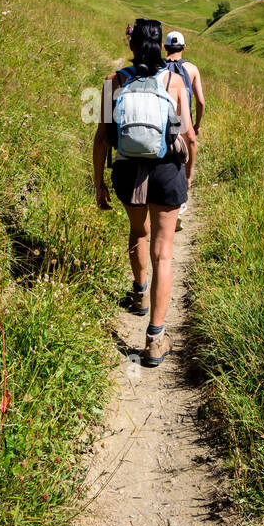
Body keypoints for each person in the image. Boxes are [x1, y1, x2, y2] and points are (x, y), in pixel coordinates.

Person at [93, 18, 197, 367]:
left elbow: (101, 137)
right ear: (160, 46)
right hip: (167, 171)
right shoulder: (174, 81)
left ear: (132, 45)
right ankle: (154, 340)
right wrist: (187, 174)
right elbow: (187, 137)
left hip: (127, 171)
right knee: (163, 253)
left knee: (138, 231)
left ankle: (138, 297)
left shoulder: (114, 81)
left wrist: (98, 183)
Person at [162, 30, 205, 230]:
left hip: (162, 122)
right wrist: (196, 125)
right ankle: (180, 201)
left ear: (165, 47)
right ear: (184, 47)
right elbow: (201, 102)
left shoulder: (159, 67)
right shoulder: (192, 68)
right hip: (183, 122)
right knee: (184, 160)